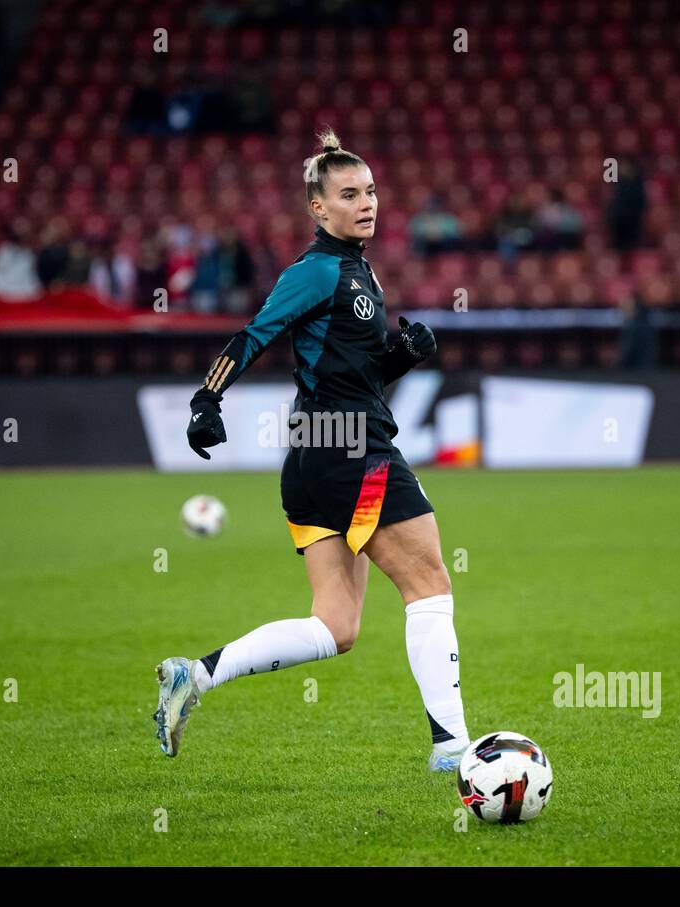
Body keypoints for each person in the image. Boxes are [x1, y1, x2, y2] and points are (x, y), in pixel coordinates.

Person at [155, 130, 470, 772]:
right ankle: (454, 748)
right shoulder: (317, 271)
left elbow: (352, 371)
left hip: (317, 454)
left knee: (336, 627)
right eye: (350, 194)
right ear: (318, 209)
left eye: (372, 191)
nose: (367, 203)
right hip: (350, 448)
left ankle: (196, 675)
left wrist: (399, 358)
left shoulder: (359, 269)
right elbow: (254, 334)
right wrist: (206, 400)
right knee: (429, 582)